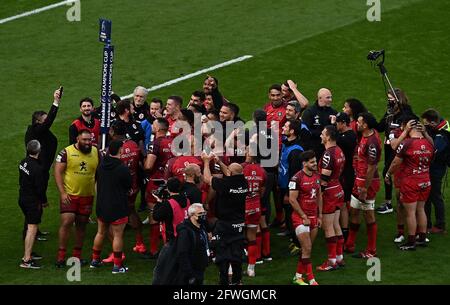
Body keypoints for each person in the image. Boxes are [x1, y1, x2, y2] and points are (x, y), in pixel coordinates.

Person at [385, 116, 434, 250]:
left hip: (411, 182)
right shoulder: (429, 142)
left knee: (410, 213)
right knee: (421, 209)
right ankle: (422, 238)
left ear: (408, 127)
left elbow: (395, 162)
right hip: (425, 179)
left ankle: (411, 241)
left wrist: (388, 173)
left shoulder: (407, 143)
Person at [54, 129, 100, 267]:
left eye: (89, 140)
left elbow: (99, 172)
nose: (87, 143)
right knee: (67, 221)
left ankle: (76, 256)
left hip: (87, 195)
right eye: (84, 140)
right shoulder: (66, 152)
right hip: (70, 194)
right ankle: (61, 256)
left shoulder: (96, 152)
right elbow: (57, 172)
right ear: (77, 139)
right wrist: (62, 193)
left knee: (81, 224)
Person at [202, 153, 248, 285]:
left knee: (223, 256)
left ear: (230, 172)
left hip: (224, 225)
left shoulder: (225, 184)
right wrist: (220, 162)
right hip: (239, 225)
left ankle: (223, 282)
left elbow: (207, 178)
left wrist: (206, 162)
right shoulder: (243, 182)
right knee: (237, 255)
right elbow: (230, 173)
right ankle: (237, 281)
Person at [24, 87, 62, 241]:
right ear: (38, 122)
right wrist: (56, 102)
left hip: (41, 168)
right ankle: (30, 231)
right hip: (38, 171)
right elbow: (49, 121)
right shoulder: (37, 131)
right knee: (36, 202)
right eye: (44, 120)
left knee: (36, 202)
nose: (48, 123)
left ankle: (35, 230)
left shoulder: (39, 131)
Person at [89, 140, 131, 273]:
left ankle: (95, 261)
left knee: (100, 232)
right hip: (118, 206)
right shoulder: (122, 168)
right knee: (118, 235)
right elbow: (128, 187)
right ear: (120, 150)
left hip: (102, 205)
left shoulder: (101, 166)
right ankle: (117, 266)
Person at [345, 112, 381, 258]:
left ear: (365, 125)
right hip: (359, 179)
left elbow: (372, 167)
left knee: (368, 214)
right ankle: (350, 244)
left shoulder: (372, 142)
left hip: (368, 183)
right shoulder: (365, 137)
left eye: (359, 122)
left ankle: (371, 250)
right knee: (354, 211)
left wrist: (365, 188)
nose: (356, 124)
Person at [376, 88, 414, 214]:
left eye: (391, 99)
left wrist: (402, 111)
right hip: (389, 147)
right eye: (388, 99)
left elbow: (414, 120)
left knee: (393, 173)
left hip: (400, 148)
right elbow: (380, 127)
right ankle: (389, 202)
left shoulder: (406, 112)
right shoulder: (389, 112)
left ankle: (399, 201)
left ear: (399, 100)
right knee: (387, 172)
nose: (389, 102)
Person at [289, 150, 321, 286]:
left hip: (314, 217)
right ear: (304, 163)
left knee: (307, 250)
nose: (315, 164)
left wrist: (320, 216)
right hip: (300, 218)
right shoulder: (296, 178)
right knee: (307, 247)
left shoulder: (317, 176)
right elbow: (292, 199)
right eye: (312, 162)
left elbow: (319, 196)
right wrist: (303, 216)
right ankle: (312, 279)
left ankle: (297, 276)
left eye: (315, 161)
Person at [316, 126, 345, 271]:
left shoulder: (328, 154)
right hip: (338, 189)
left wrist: (318, 194)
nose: (320, 135)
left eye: (322, 133)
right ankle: (339, 257)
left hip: (329, 192)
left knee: (328, 227)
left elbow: (324, 178)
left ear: (328, 137)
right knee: (335, 224)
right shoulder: (339, 150)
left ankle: (331, 261)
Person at [144, 117, 174, 258]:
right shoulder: (175, 141)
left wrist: (143, 165)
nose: (152, 127)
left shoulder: (155, 143)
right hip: (171, 182)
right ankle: (170, 247)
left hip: (156, 183)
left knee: (154, 216)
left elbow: (149, 166)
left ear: (158, 129)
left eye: (154, 125)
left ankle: (154, 250)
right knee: (170, 215)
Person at [18, 140, 46, 269]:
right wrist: (44, 201)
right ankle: (26, 259)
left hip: (23, 198)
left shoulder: (23, 162)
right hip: (32, 201)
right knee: (32, 227)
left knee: (28, 224)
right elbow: (40, 189)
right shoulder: (38, 169)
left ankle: (29, 253)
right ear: (39, 151)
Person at [421, 109, 449, 233]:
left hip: (436, 169)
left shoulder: (441, 134)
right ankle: (426, 223)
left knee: (434, 196)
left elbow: (434, 150)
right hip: (434, 167)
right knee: (427, 196)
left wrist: (425, 135)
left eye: (426, 124)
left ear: (432, 123)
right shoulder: (440, 126)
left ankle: (440, 225)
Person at [278, 120, 304, 237]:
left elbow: (294, 174)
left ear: (292, 131)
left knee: (291, 209)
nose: (283, 127)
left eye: (286, 126)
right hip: (283, 184)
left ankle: (295, 236)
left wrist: (289, 194)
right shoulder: (286, 143)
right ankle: (289, 230)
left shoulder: (295, 151)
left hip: (290, 187)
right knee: (287, 209)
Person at [335, 112, 357, 242]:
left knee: (342, 204)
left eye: (337, 122)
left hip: (345, 173)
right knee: (344, 202)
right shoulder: (349, 134)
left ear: (343, 123)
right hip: (346, 172)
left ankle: (344, 232)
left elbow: (335, 139)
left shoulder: (346, 137)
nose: (336, 124)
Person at [175, 203, 209, 285]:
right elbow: (182, 253)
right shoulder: (185, 232)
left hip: (199, 269)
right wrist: (190, 275)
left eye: (204, 213)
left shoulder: (201, 227)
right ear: (191, 215)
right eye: (200, 214)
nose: (203, 216)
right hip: (190, 273)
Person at [301, 88, 337, 158]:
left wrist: (334, 124)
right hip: (313, 151)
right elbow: (305, 132)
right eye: (328, 98)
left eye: (331, 97)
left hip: (329, 151)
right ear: (320, 98)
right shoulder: (309, 112)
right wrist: (323, 133)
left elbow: (336, 131)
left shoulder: (333, 112)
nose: (330, 100)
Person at [153, 177, 190, 244]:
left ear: (168, 189)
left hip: (173, 237)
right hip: (187, 233)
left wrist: (158, 202)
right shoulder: (187, 200)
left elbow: (156, 216)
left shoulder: (168, 204)